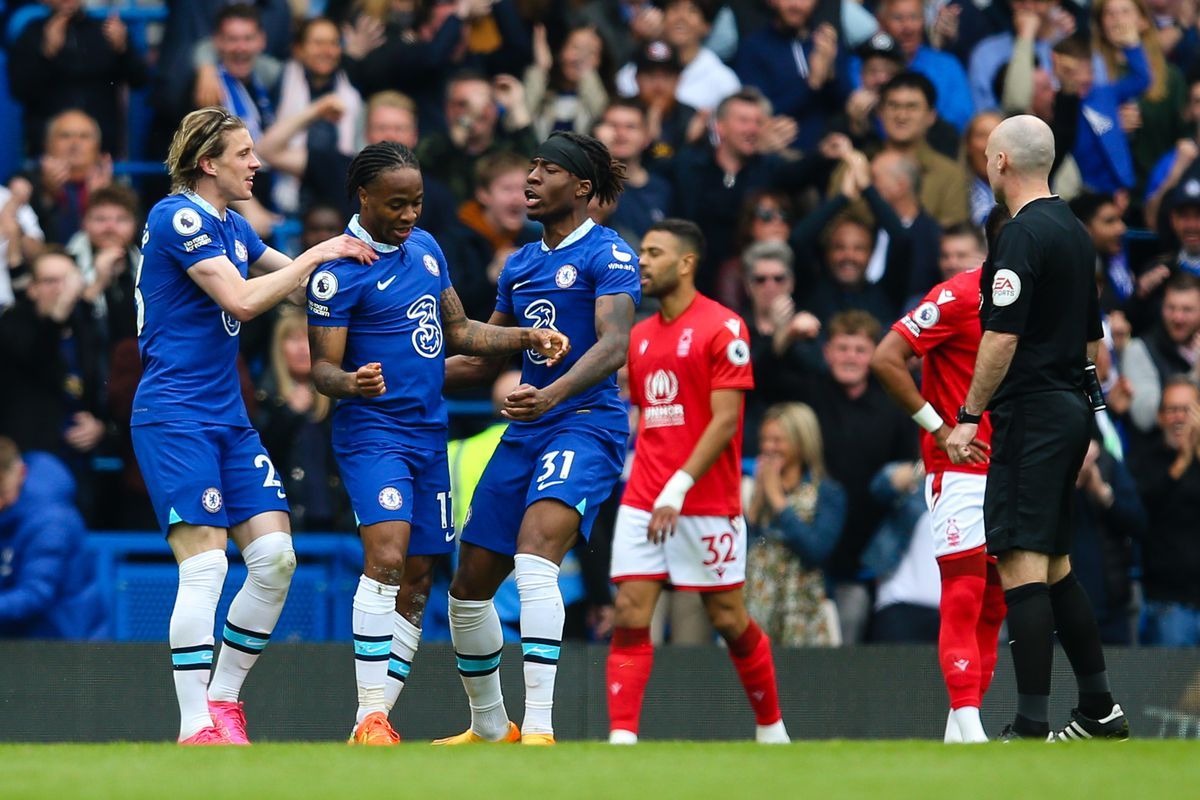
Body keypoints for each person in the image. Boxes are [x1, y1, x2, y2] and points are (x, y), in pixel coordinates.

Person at [306, 141, 568, 745]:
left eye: (417, 202)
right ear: (363, 198)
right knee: (389, 557)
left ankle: (374, 720)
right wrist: (349, 381)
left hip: (428, 433)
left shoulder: (425, 249)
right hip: (373, 432)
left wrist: (526, 336)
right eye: (396, 204)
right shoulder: (338, 269)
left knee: (421, 576)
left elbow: (461, 331)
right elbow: (321, 369)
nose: (408, 215)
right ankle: (369, 715)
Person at [131, 107, 377, 745]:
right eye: (244, 153)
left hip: (227, 419)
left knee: (274, 559)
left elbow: (294, 290)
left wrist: (366, 273)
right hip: (175, 415)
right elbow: (242, 298)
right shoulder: (177, 215)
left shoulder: (233, 225)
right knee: (207, 568)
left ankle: (223, 701)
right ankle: (195, 730)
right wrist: (322, 248)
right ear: (208, 163)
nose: (257, 163)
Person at [434, 131, 639, 745]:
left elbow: (614, 346)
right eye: (530, 168)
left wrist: (550, 393)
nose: (530, 179)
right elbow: (477, 352)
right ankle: (492, 727)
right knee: (467, 592)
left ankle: (543, 729)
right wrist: (394, 374)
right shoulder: (522, 263)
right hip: (527, 429)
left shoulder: (611, 254)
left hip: (585, 425)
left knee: (533, 560)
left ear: (580, 187)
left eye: (546, 170)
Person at [946, 114, 1128, 741]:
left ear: (1000, 162)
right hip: (1068, 405)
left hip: (1032, 411)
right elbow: (1089, 340)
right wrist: (1084, 412)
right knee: (1054, 564)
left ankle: (1029, 726)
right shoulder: (1076, 232)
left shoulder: (1021, 235)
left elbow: (1001, 336)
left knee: (1019, 558)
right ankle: (1100, 709)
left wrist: (969, 416)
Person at [605, 219, 787, 745]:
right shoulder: (638, 337)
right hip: (644, 496)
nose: (642, 261)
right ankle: (622, 740)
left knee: (728, 617)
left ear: (686, 263)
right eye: (642, 251)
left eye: (654, 252)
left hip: (704, 500)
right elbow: (649, 419)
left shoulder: (724, 328)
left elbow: (725, 421)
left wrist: (678, 487)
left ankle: (771, 728)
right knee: (630, 610)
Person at [870, 204, 1011, 743]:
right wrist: (937, 427)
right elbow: (886, 357)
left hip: (1015, 470)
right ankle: (972, 731)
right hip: (962, 467)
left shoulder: (1039, 303)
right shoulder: (956, 296)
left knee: (996, 602)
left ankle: (959, 735)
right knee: (964, 590)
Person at [743, 402, 846, 647]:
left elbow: (816, 550)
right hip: (756, 607)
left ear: (802, 442)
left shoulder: (828, 493)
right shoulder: (750, 487)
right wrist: (758, 500)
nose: (769, 447)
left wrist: (778, 500)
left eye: (778, 440)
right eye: (765, 439)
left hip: (804, 612)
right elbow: (744, 550)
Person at [0, 438, 103, 639]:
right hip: (21, 644)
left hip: (66, 645)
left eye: (3, 492)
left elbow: (37, 592)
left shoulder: (51, 520)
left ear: (21, 472)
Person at [1126, 376, 1200, 646]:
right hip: (1168, 603)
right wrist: (1182, 461)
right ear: (1159, 417)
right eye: (1172, 410)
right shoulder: (1145, 459)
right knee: (1171, 686)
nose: (1180, 418)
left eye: (1188, 409)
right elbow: (1143, 513)